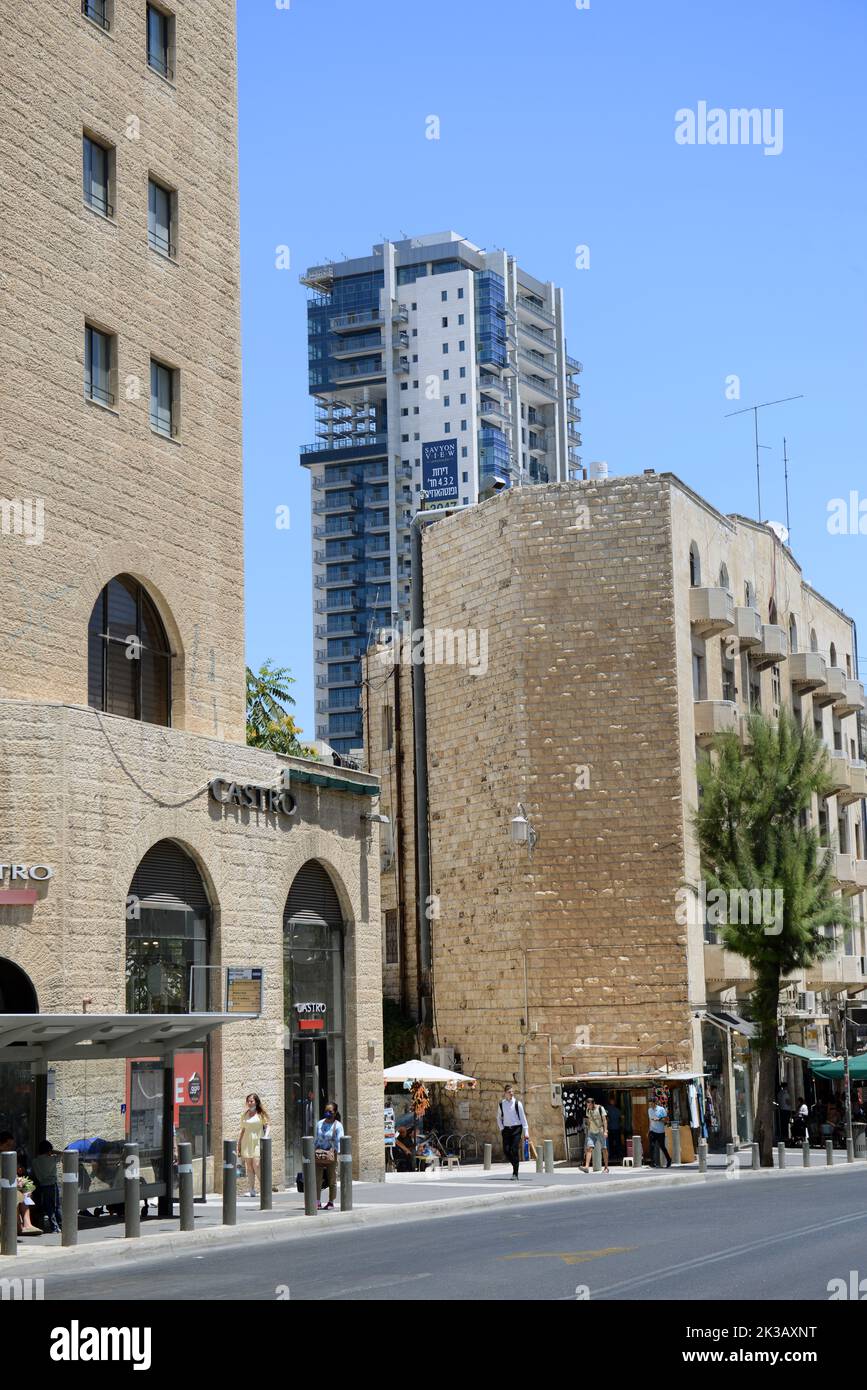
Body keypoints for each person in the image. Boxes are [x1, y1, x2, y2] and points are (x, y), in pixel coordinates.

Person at [238, 1093, 270, 1198]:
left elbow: (267, 1126)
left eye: (252, 1101)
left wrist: (265, 1136)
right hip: (246, 1142)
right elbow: (243, 1130)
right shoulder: (245, 1114)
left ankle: (264, 1187)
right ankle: (251, 1190)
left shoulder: (260, 1114)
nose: (250, 1103)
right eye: (248, 1101)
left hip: (257, 1142)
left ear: (256, 1102)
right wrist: (239, 1144)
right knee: (249, 1167)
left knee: (256, 1165)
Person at [314, 1102, 344, 1209]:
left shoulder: (338, 1125)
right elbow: (316, 1139)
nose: (327, 1113)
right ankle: (317, 1201)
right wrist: (313, 1150)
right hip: (319, 1154)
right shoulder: (320, 1123)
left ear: (335, 1113)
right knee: (317, 1179)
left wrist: (338, 1152)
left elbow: (340, 1140)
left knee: (332, 1179)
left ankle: (331, 1201)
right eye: (326, 1111)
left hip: (332, 1155)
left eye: (330, 1111)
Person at [496, 1084, 529, 1181]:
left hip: (516, 1129)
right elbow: (498, 1118)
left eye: (512, 1092)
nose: (511, 1093)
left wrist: (526, 1131)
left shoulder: (517, 1104)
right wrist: (501, 1128)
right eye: (509, 1092)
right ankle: (515, 1164)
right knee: (506, 1151)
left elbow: (523, 1119)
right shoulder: (501, 1104)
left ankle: (515, 1173)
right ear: (505, 1093)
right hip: (506, 1129)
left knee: (514, 1150)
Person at [32, 1140, 61, 1233]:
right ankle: (60, 1225)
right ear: (49, 1150)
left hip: (43, 1186)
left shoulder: (35, 1161)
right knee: (56, 1206)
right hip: (52, 1185)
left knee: (49, 1207)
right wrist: (53, 1151)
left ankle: (54, 1227)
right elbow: (63, 1154)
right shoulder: (52, 1159)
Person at [581, 1097, 608, 1173]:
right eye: (587, 1105)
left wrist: (606, 1131)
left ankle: (606, 1168)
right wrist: (588, 1130)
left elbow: (604, 1120)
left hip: (600, 1131)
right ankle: (586, 1167)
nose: (588, 1107)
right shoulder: (588, 1110)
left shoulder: (600, 1108)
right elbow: (589, 1120)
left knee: (604, 1149)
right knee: (589, 1148)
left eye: (589, 1105)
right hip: (592, 1132)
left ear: (593, 1104)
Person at [648, 1098, 672, 1168]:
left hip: (660, 1131)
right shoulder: (649, 1110)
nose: (650, 1105)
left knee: (662, 1147)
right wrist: (648, 1130)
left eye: (651, 1103)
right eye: (649, 1104)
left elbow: (666, 1120)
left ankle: (669, 1159)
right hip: (652, 1131)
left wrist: (658, 1119)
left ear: (655, 1103)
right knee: (651, 1146)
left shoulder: (661, 1109)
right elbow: (650, 1121)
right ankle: (652, 1162)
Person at [606, 1092, 622, 1162]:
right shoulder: (617, 1110)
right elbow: (621, 1117)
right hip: (615, 1128)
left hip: (612, 1128)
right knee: (617, 1142)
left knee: (611, 1142)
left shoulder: (607, 1109)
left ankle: (613, 1154)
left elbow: (606, 1118)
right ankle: (618, 1154)